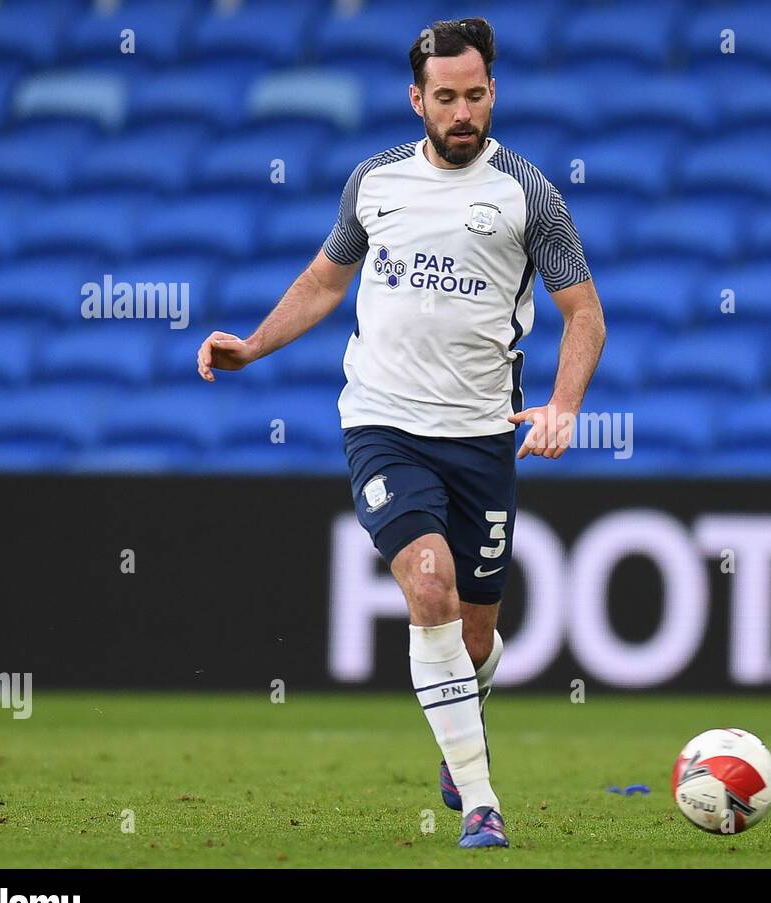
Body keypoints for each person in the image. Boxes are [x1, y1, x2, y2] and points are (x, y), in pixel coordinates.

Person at [196, 17, 605, 849]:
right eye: (446, 98)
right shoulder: (373, 182)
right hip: (384, 424)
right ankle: (485, 803)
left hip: (483, 436)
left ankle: (462, 738)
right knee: (428, 590)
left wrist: (563, 406)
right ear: (416, 99)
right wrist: (253, 344)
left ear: (495, 93)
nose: (463, 113)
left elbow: (584, 313)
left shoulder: (530, 194)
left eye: (476, 95)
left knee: (479, 633)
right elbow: (323, 281)